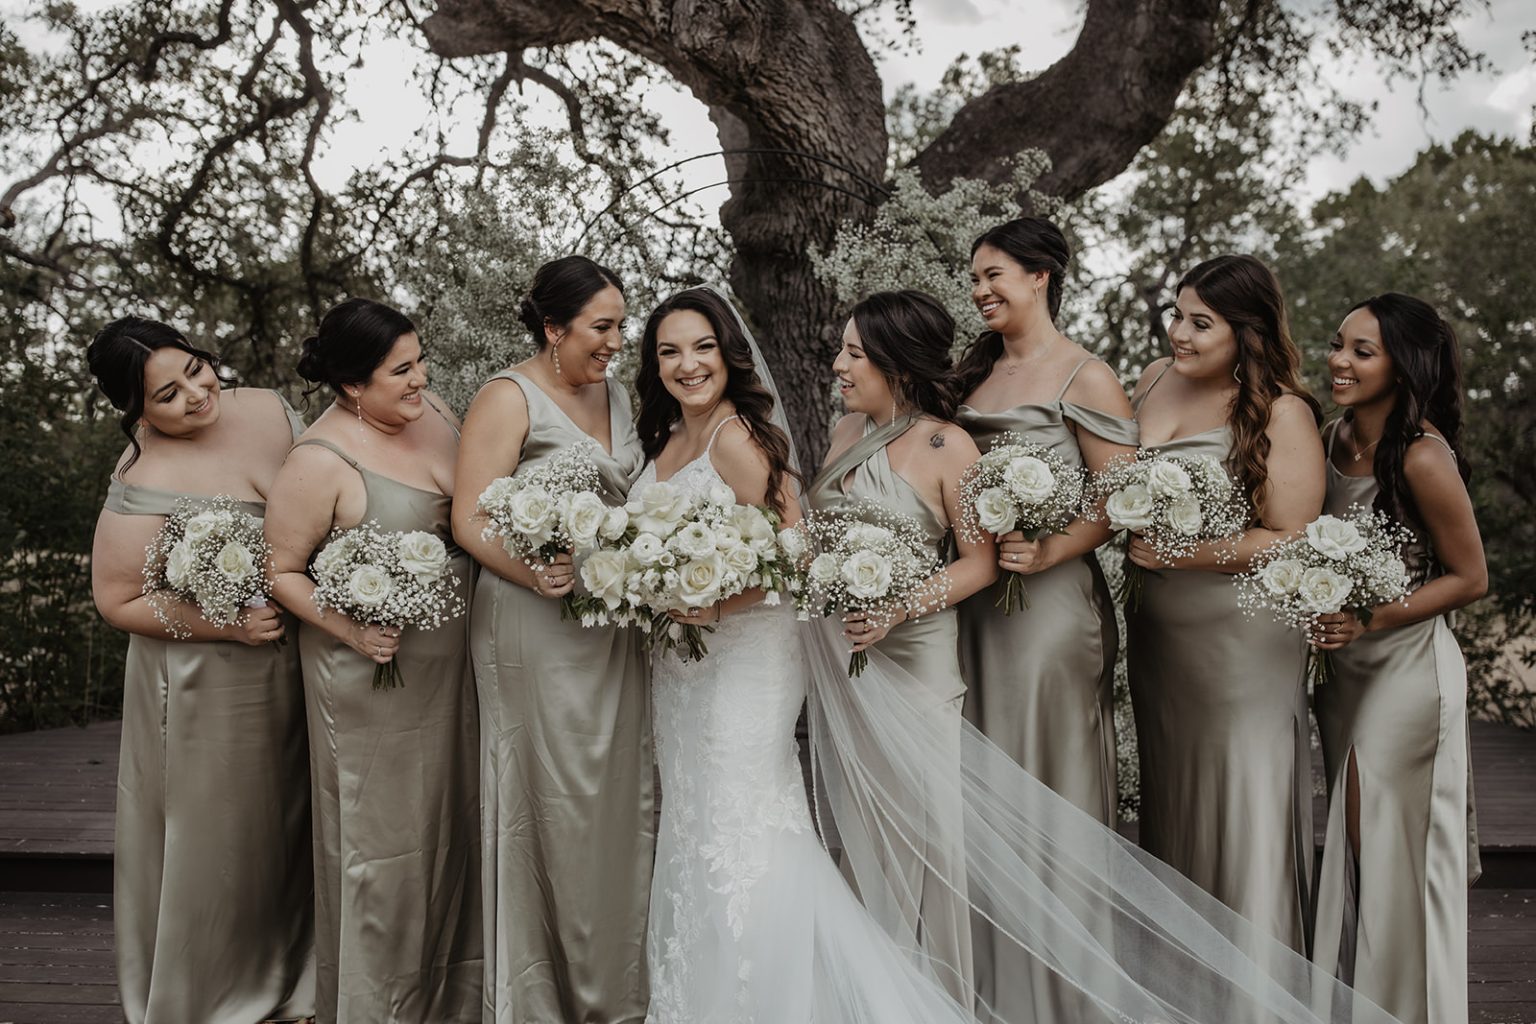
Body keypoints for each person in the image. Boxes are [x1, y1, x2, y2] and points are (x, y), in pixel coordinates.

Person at [87, 316, 314, 1023]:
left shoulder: (272, 408)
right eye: (165, 394)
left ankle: (299, 980)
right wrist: (227, 624)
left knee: (293, 821)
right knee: (218, 838)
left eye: (194, 368)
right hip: (199, 684)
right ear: (135, 411)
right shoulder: (142, 475)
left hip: (295, 662)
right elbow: (117, 598)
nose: (194, 393)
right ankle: (212, 996)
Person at [266, 298, 481, 1023]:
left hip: (456, 673)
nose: (421, 379)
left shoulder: (434, 413)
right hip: (373, 684)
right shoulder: (317, 462)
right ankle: (378, 1007)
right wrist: (353, 632)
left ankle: (457, 1001)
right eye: (402, 371)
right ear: (353, 386)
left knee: (454, 833)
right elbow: (282, 572)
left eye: (421, 361)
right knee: (386, 853)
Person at [450, 256, 652, 1023]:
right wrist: (534, 574)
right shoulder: (508, 398)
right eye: (602, 328)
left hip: (612, 628)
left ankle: (614, 986)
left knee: (613, 800)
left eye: (621, 326)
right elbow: (469, 518)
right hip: (531, 622)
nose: (615, 342)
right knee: (547, 800)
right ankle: (540, 997)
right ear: (552, 326)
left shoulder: (621, 393)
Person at [953, 216, 1140, 1022]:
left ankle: (1063, 1001)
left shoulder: (1085, 376)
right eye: (974, 279)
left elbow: (1120, 498)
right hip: (976, 608)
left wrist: (1052, 547)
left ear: (1042, 276)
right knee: (981, 793)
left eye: (995, 274)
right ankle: (996, 992)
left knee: (1043, 790)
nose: (981, 290)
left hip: (1051, 608)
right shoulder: (970, 377)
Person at [1125, 253, 1324, 952]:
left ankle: (1257, 990)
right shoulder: (1153, 381)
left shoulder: (1282, 412)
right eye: (1176, 315)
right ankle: (1183, 979)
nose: (1179, 332)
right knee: (1174, 798)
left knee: (1240, 800)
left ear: (1247, 331)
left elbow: (1290, 537)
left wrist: (1186, 553)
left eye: (1200, 322)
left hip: (1242, 641)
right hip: (1159, 634)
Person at [806, 290, 999, 1004]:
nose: (838, 365)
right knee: (858, 836)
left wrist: (895, 609)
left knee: (922, 845)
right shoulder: (843, 431)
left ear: (895, 360)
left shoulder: (951, 445)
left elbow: (979, 564)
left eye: (854, 354)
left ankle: (929, 1002)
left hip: (915, 667)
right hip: (845, 665)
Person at [1310, 293, 1485, 1024]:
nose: (1339, 361)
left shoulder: (1422, 453)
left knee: (1387, 847)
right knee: (1359, 848)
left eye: (1362, 351)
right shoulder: (1326, 438)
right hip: (1342, 677)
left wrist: (1368, 616)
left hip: (1409, 671)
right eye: (1338, 343)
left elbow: (1470, 577)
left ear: (1401, 365)